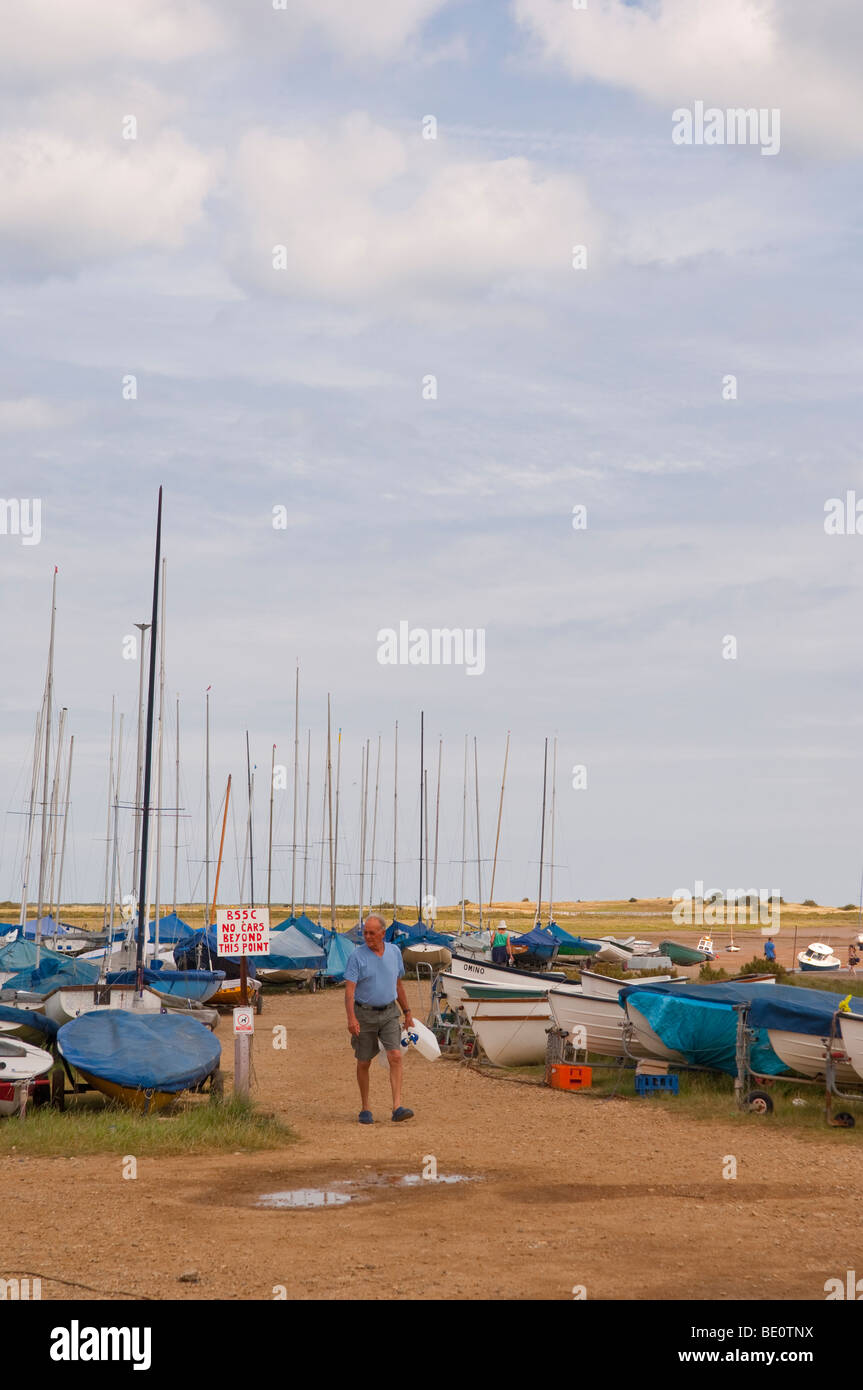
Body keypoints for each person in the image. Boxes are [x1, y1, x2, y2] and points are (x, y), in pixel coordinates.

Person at [344, 915, 415, 1124]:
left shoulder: (394, 952)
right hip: (364, 1014)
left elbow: (398, 984)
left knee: (395, 1056)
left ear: (383, 934)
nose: (367, 936)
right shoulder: (357, 956)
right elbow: (349, 992)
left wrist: (408, 1012)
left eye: (371, 933)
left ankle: (397, 1107)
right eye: (365, 932)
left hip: (389, 1013)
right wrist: (351, 1019)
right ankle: (365, 1108)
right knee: (364, 1061)